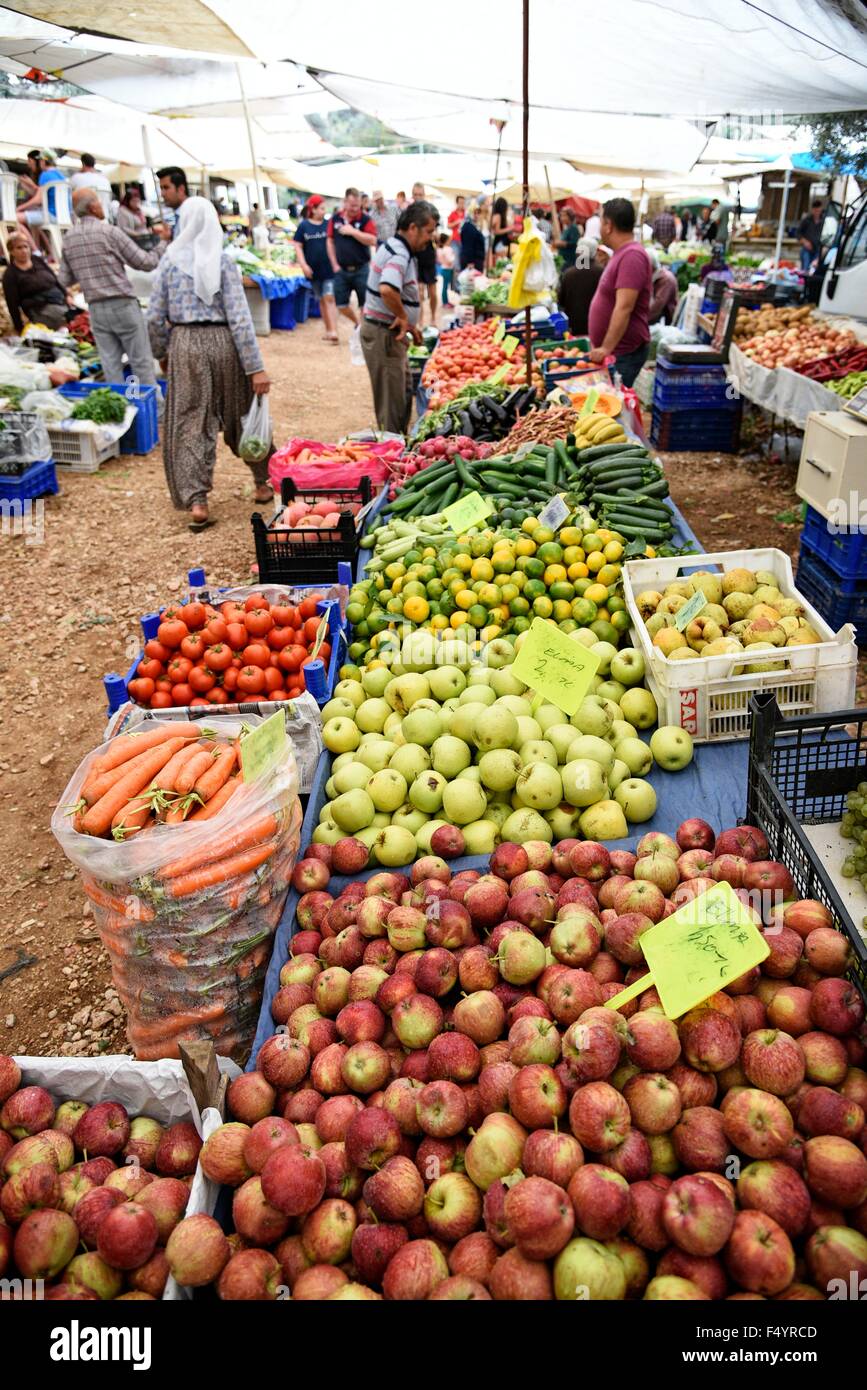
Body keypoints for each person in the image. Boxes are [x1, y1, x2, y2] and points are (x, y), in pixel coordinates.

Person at [147, 197, 272, 530]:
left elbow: (154, 317)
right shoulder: (224, 262)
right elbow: (241, 319)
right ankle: (262, 483)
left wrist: (162, 352)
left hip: (185, 345)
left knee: (191, 421)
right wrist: (255, 367)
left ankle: (197, 501)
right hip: (224, 343)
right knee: (241, 413)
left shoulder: (169, 264)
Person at [58, 188, 168, 390]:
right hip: (122, 305)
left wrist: (86, 269)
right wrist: (162, 243)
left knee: (111, 366)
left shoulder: (69, 238)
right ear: (92, 206)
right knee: (141, 362)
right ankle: (155, 411)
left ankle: (123, 411)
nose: (102, 206)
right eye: (99, 202)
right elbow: (146, 262)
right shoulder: (109, 232)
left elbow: (64, 279)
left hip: (96, 310)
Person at [360, 199, 438, 435]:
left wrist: (410, 325)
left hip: (388, 332)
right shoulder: (399, 253)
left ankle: (396, 446)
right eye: (428, 231)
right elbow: (387, 289)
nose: (430, 238)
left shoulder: (398, 248)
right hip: (383, 334)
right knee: (391, 407)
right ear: (413, 228)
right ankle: (391, 456)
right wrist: (404, 317)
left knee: (400, 397)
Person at [588, 197, 652, 387]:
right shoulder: (622, 253)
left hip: (623, 353)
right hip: (618, 352)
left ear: (608, 225)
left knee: (617, 408)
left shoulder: (632, 256)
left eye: (601, 221)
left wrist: (607, 348)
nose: (600, 227)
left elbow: (624, 307)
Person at [326, 187, 377, 330]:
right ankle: (358, 323)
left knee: (365, 304)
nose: (355, 208)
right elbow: (329, 241)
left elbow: (373, 240)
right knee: (341, 304)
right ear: (345, 202)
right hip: (341, 269)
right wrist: (334, 264)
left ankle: (363, 332)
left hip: (362, 268)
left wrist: (353, 232)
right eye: (352, 205)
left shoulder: (365, 219)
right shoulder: (335, 219)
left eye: (358, 205)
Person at [2, 231, 74, 332]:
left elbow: (55, 279)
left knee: (80, 314)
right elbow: (12, 304)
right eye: (19, 248)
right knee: (67, 319)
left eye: (26, 247)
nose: (24, 251)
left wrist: (66, 295)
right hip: (40, 309)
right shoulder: (10, 274)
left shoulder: (37, 260)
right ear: (12, 251)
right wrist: (19, 328)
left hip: (59, 299)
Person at [293, 194, 339, 343]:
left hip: (329, 269)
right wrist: (303, 264)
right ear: (312, 209)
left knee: (329, 298)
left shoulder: (329, 224)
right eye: (321, 208)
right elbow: (298, 246)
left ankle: (333, 331)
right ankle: (328, 329)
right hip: (313, 271)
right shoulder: (304, 226)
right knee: (321, 300)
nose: (324, 211)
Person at [557, 236, 605, 336]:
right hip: (598, 326)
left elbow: (561, 301)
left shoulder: (568, 274)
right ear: (594, 252)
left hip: (574, 328)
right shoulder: (602, 272)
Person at [16, 150, 68, 238]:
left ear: (43, 161)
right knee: (34, 221)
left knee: (14, 218)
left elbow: (38, 200)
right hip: (64, 216)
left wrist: (18, 208)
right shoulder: (61, 176)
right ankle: (40, 250)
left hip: (51, 215)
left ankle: (35, 249)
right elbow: (42, 195)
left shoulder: (45, 174)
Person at [411, 183, 439, 326]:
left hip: (429, 255)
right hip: (416, 256)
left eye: (420, 194)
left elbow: (437, 233)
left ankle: (433, 317)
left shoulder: (431, 211)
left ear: (424, 194)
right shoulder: (410, 213)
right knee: (419, 293)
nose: (417, 197)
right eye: (415, 194)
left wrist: (431, 235)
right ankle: (421, 320)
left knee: (433, 292)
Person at [647, 250, 679, 325]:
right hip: (658, 319)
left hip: (666, 321)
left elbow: (656, 307)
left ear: (650, 266)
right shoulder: (654, 277)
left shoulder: (666, 280)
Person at [156, 167, 189, 236]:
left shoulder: (192, 214)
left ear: (181, 189)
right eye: (161, 188)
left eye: (166, 188)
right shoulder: (180, 214)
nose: (162, 194)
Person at [798, 198, 825, 274]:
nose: (817, 213)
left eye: (819, 211)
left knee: (815, 269)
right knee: (805, 268)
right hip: (807, 249)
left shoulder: (824, 221)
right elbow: (798, 233)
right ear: (812, 210)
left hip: (819, 249)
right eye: (815, 211)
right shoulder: (806, 220)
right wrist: (805, 242)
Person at [460, 204, 487, 272]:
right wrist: (470, 262)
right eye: (474, 213)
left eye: (478, 213)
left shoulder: (474, 225)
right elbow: (468, 246)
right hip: (472, 262)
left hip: (476, 260)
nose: (477, 215)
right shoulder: (468, 227)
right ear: (470, 213)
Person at [436, 232, 455, 305]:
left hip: (443, 268)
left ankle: (446, 301)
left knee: (445, 286)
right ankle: (445, 302)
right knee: (445, 287)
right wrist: (454, 257)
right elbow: (450, 260)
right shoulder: (448, 249)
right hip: (447, 269)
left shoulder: (439, 249)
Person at [490, 197, 511, 263]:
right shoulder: (498, 216)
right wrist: (509, 229)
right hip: (499, 243)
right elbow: (497, 231)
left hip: (499, 243)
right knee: (500, 263)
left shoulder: (496, 215)